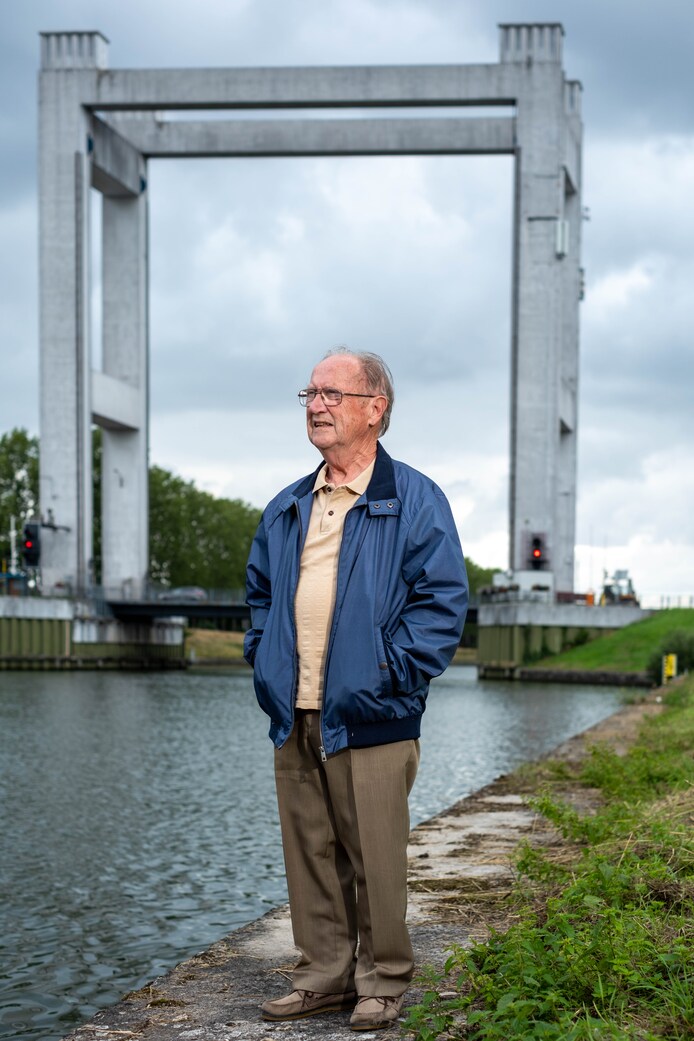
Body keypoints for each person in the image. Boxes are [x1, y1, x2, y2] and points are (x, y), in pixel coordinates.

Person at [244, 347, 468, 1032]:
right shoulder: (288, 504)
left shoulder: (414, 499)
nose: (316, 404)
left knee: (374, 855)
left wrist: (386, 673)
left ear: (377, 409)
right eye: (310, 392)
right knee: (309, 852)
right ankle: (323, 976)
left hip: (373, 712)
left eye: (333, 393)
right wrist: (265, 665)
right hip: (296, 710)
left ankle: (384, 979)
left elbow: (442, 604)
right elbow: (258, 597)